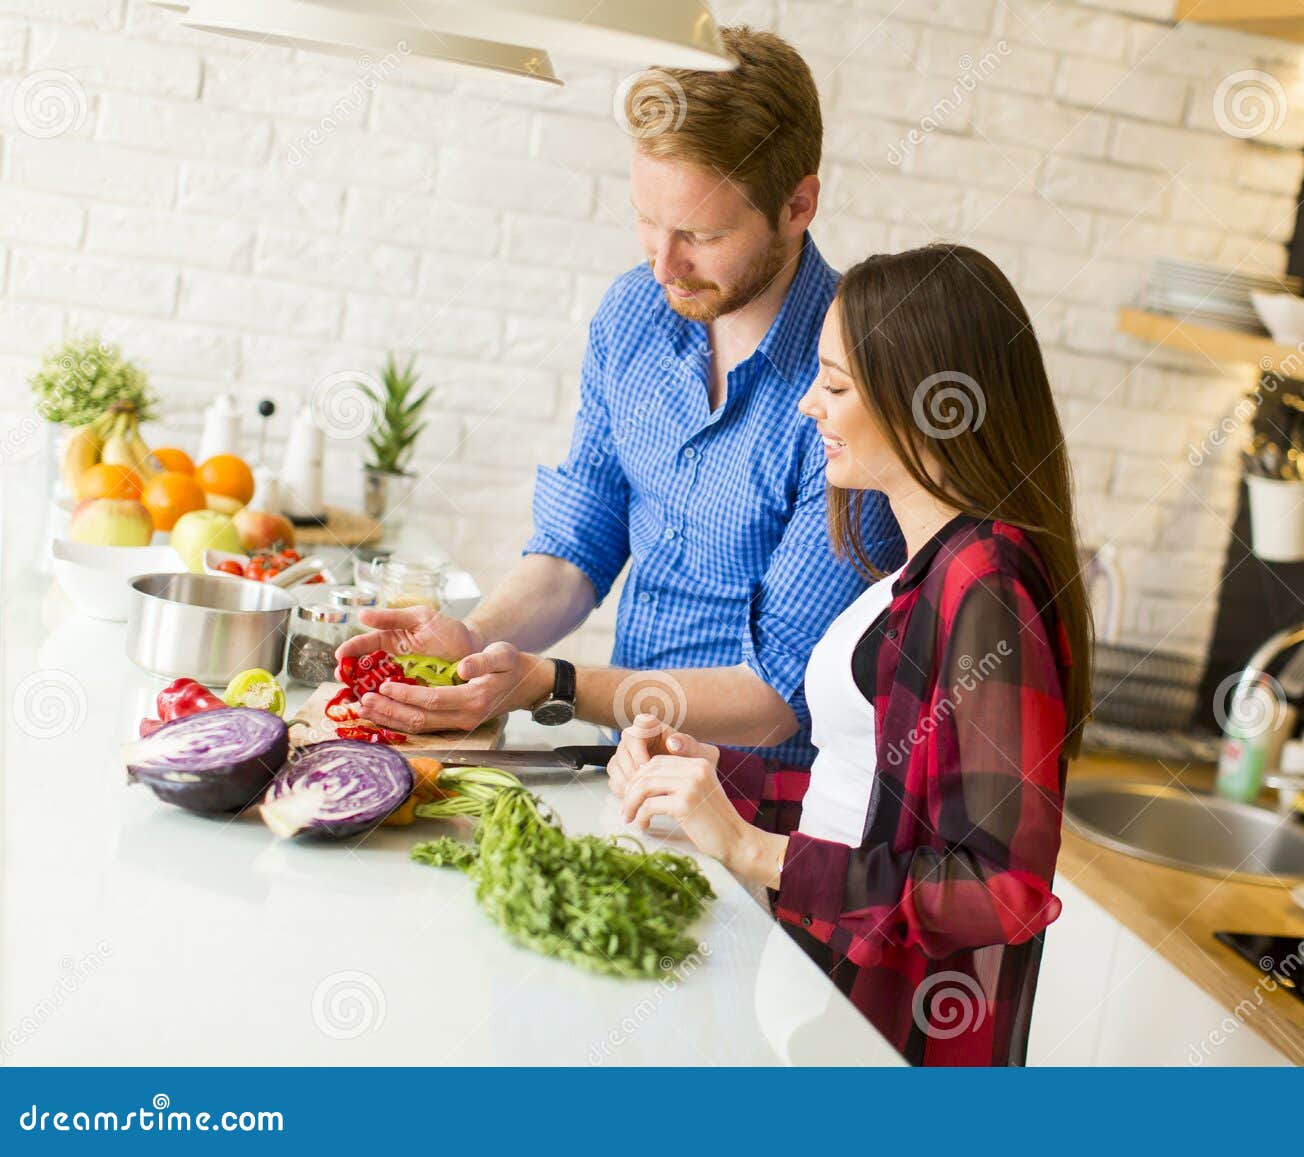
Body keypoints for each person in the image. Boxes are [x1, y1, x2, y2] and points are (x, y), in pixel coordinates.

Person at [337, 27, 896, 767]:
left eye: (699, 232)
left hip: (769, 819)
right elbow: (579, 545)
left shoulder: (856, 386)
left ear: (798, 206)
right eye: (647, 220)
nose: (664, 263)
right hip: (624, 768)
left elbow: (775, 700)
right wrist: (477, 641)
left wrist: (550, 684)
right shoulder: (633, 316)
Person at [606, 243, 1094, 1067]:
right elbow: (864, 798)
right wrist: (710, 774)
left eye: (834, 385)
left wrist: (749, 848)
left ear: (929, 403)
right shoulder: (923, 570)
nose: (809, 406)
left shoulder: (986, 586)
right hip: (815, 993)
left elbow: (1001, 888)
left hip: (888, 1037)